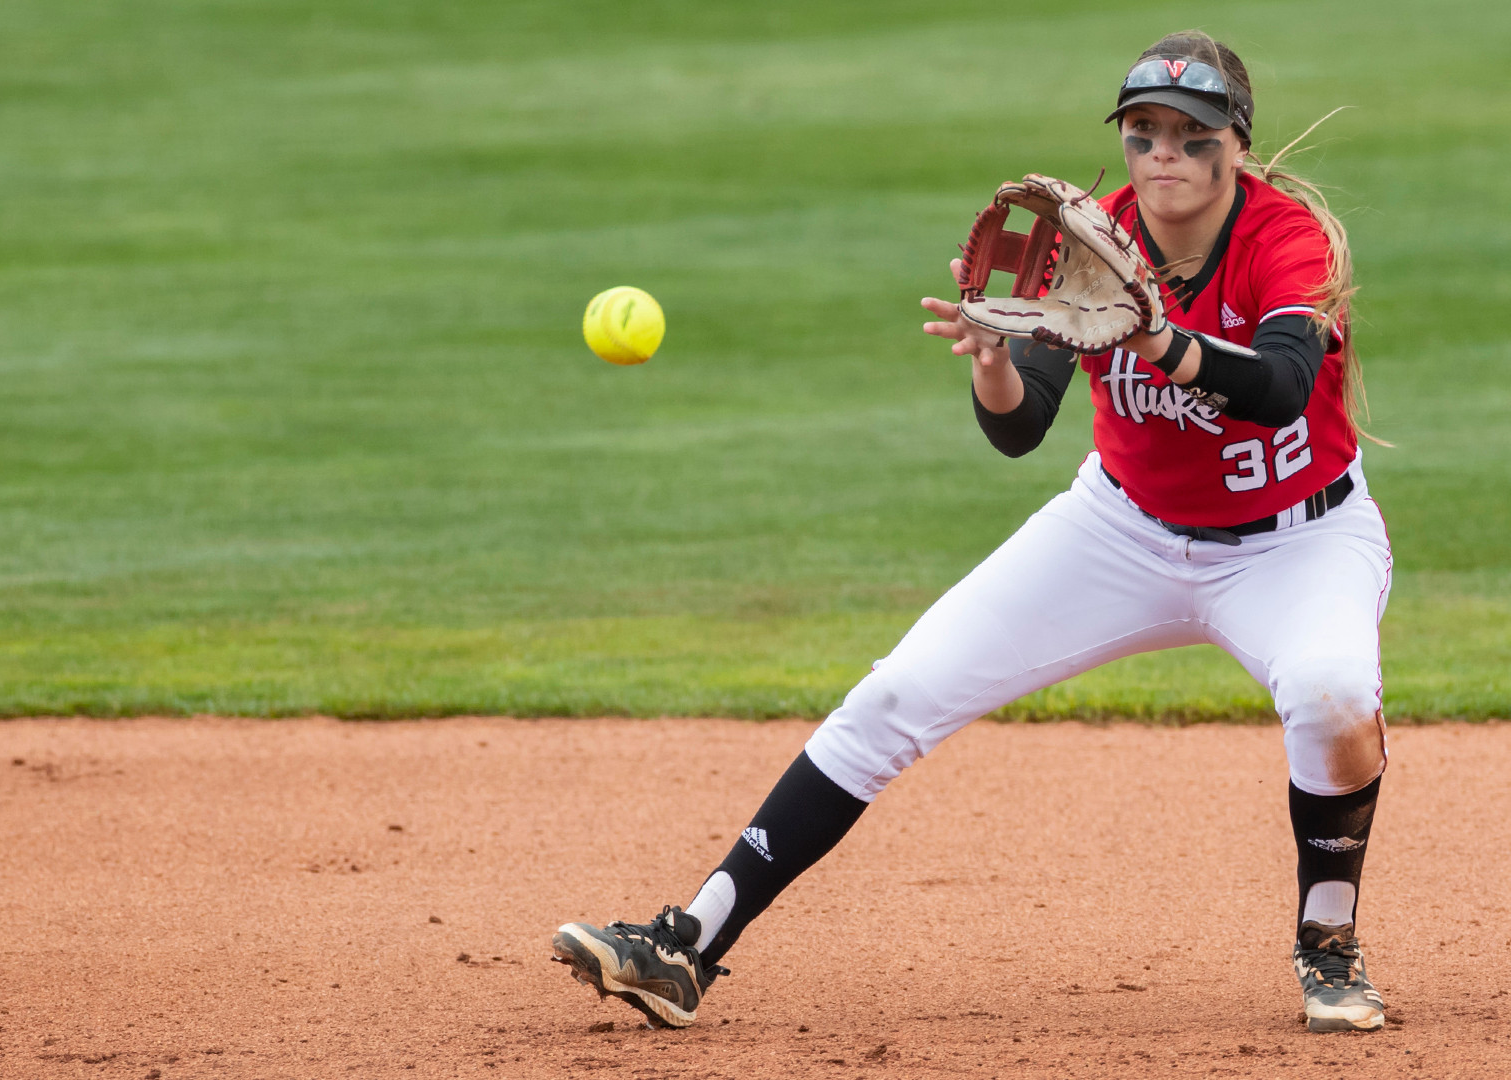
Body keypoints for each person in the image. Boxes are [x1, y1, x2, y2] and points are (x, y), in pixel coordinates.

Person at [551, 29, 1393, 1035]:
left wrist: (1157, 340)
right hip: (1119, 531)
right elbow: (1019, 427)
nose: (1163, 152)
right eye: (1144, 132)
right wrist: (993, 355)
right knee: (897, 691)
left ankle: (1328, 945)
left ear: (1235, 147)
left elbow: (1284, 388)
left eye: (1191, 133)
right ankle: (689, 943)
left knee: (1332, 695)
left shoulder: (1282, 237)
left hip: (1298, 545)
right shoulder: (1086, 241)